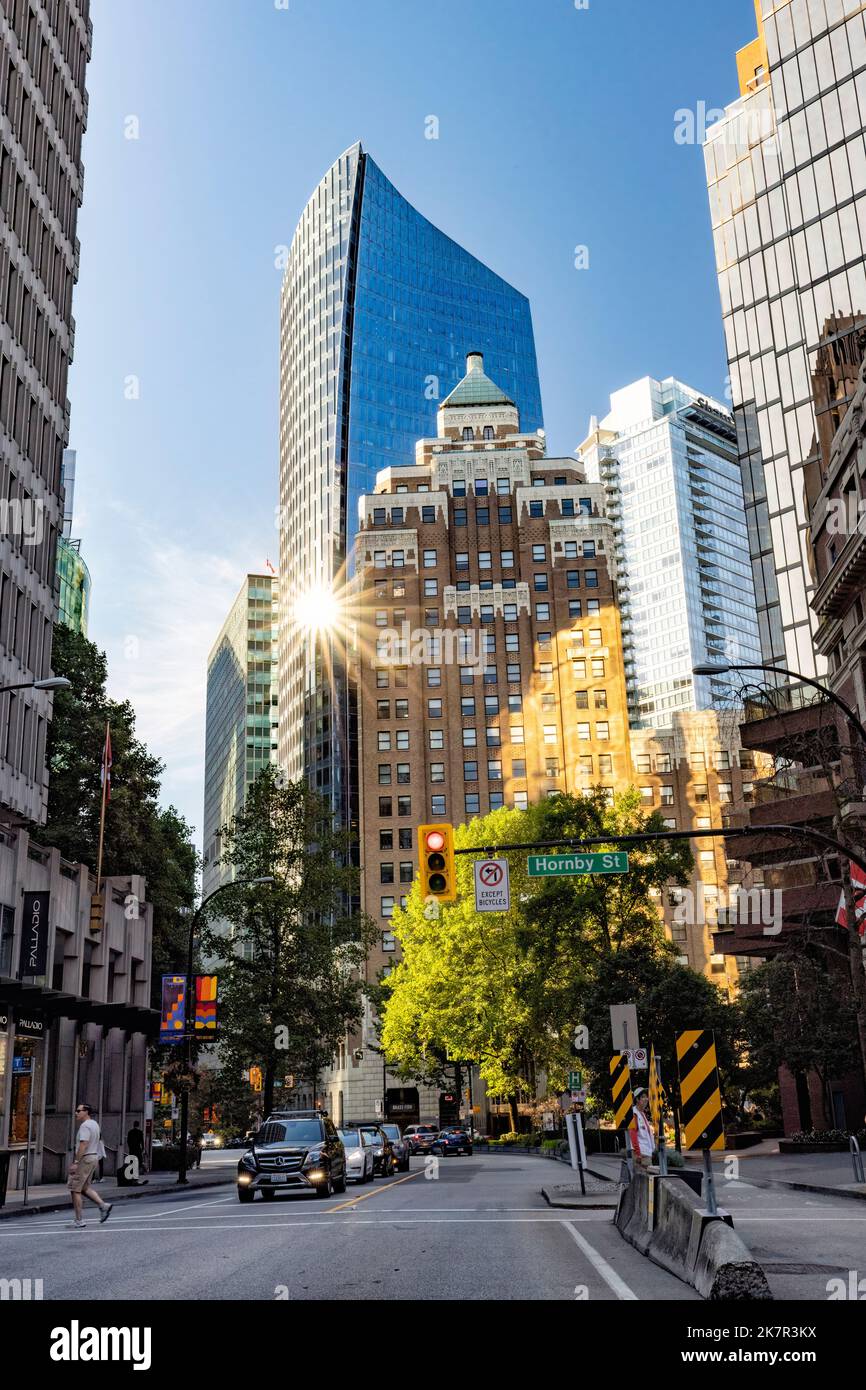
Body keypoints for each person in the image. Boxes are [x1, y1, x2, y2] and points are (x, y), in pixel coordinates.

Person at [68, 1104, 113, 1229]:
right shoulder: (95, 1124)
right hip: (93, 1157)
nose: (76, 1113)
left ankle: (79, 1220)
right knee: (84, 1188)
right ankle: (103, 1206)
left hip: (85, 1158)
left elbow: (84, 1144)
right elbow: (98, 1142)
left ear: (86, 1112)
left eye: (78, 1111)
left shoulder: (85, 1126)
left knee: (75, 1189)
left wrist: (76, 1162)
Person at [628, 1087, 655, 1168]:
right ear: (637, 1099)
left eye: (646, 1097)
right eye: (643, 1097)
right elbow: (633, 1134)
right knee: (646, 1175)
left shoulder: (642, 1113)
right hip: (641, 1155)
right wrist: (638, 1154)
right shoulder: (635, 1114)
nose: (646, 1099)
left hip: (646, 1153)